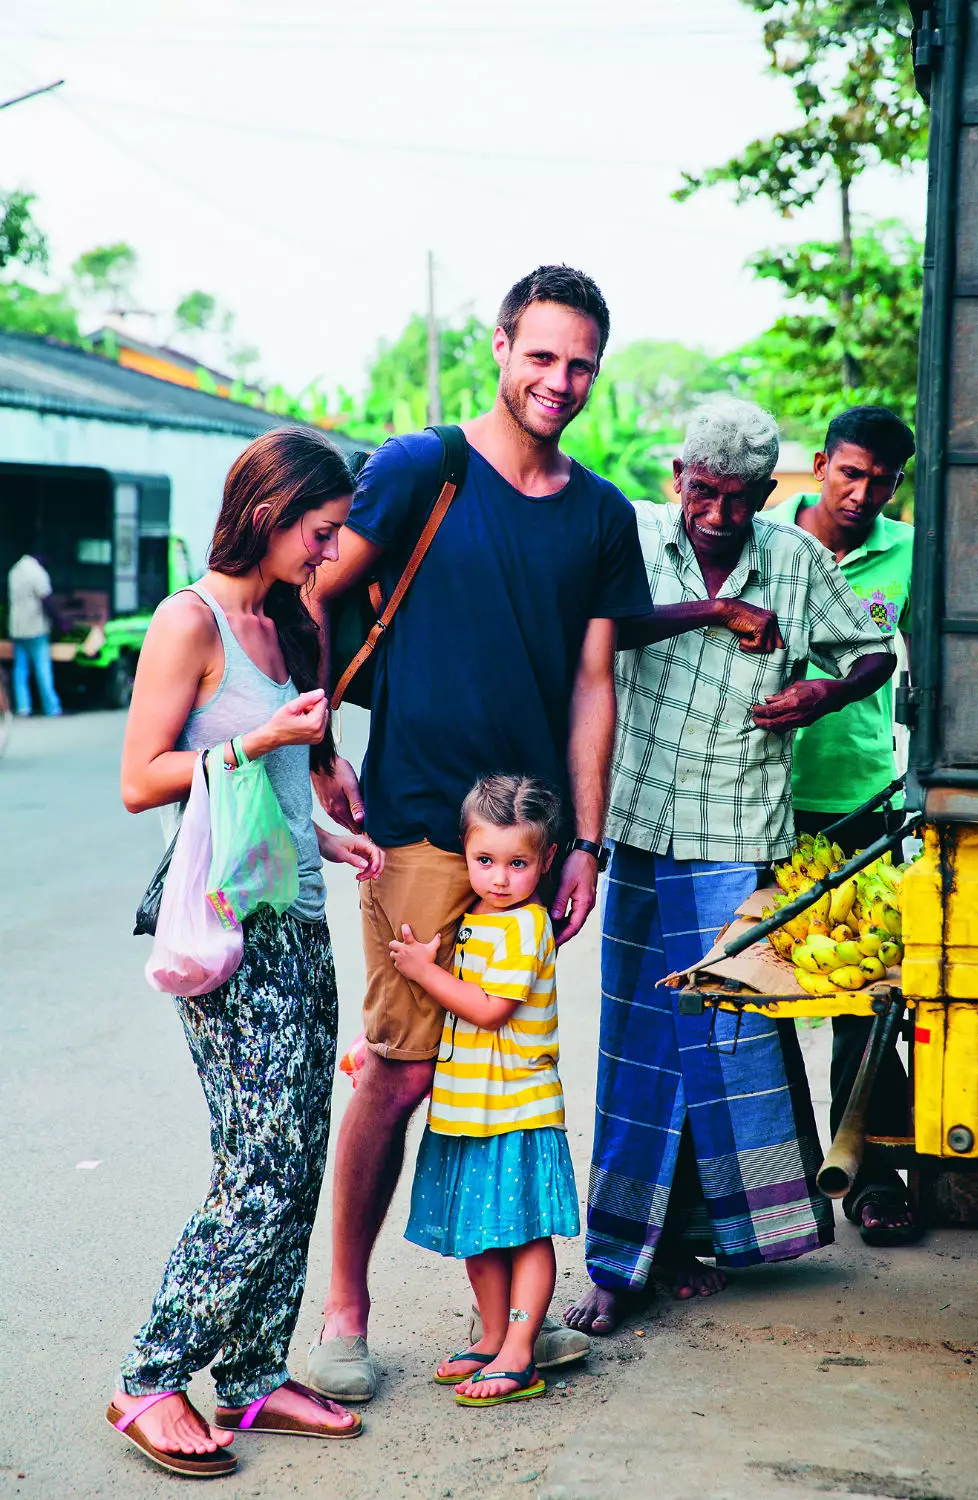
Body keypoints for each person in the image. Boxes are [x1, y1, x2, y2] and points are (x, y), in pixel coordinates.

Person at [305, 265, 652, 1401]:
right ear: (500, 347)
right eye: (542, 355)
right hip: (415, 817)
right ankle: (344, 1308)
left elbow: (594, 684)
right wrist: (316, 750)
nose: (560, 380)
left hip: (532, 843)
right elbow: (315, 589)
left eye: (581, 364)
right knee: (403, 1075)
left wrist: (586, 842)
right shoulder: (423, 468)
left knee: (508, 1075)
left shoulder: (601, 513)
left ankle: (503, 1320)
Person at [564, 399, 897, 1337]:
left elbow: (873, 653)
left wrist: (822, 693)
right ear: (678, 476)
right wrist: (712, 609)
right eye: (702, 492)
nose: (717, 514)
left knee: (723, 1038)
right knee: (639, 1038)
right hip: (635, 820)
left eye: (739, 499)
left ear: (765, 492)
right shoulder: (632, 536)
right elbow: (597, 631)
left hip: (741, 824)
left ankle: (730, 1235)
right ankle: (624, 1257)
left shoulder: (795, 558)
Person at [109, 428, 384, 1478]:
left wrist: (327, 832)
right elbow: (142, 778)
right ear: (268, 516)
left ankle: (256, 1374)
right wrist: (256, 744)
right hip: (227, 928)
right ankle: (150, 1378)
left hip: (296, 913)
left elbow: (265, 798)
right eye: (319, 532)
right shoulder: (190, 621)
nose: (327, 553)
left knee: (292, 1156)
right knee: (259, 1168)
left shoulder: (286, 624)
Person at [768, 405, 918, 1247]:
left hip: (862, 796)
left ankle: (867, 1174)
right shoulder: (765, 538)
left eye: (880, 480)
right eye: (849, 472)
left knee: (867, 997)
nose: (860, 493)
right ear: (821, 463)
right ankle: (778, 1180)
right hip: (762, 799)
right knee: (764, 1000)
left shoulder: (908, 554)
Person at [390, 774, 578, 1408]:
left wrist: (421, 969)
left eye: (518, 862)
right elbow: (447, 1009)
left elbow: (489, 1008)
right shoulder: (472, 917)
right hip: (470, 1105)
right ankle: (493, 1335)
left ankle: (521, 1350)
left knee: (524, 1233)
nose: (500, 877)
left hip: (517, 1105)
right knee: (480, 1232)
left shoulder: (526, 925)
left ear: (546, 861)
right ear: (465, 852)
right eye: (486, 860)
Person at [6, 551, 62, 717]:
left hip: (17, 627)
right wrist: (59, 621)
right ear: (41, 556)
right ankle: (51, 707)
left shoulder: (14, 571)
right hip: (36, 628)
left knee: (20, 670)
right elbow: (47, 601)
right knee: (42, 669)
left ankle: (23, 707)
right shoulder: (38, 573)